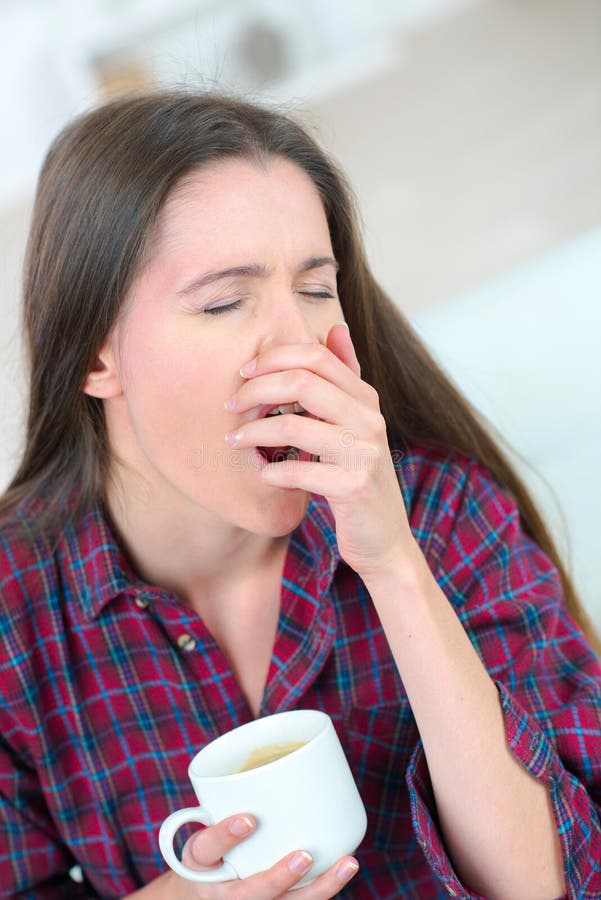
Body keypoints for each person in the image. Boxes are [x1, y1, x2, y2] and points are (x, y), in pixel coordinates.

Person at [0, 89, 599, 900]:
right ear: (96, 353)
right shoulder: (15, 611)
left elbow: (547, 885)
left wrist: (391, 563)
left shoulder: (443, 515)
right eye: (222, 301)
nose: (298, 351)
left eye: (315, 291)